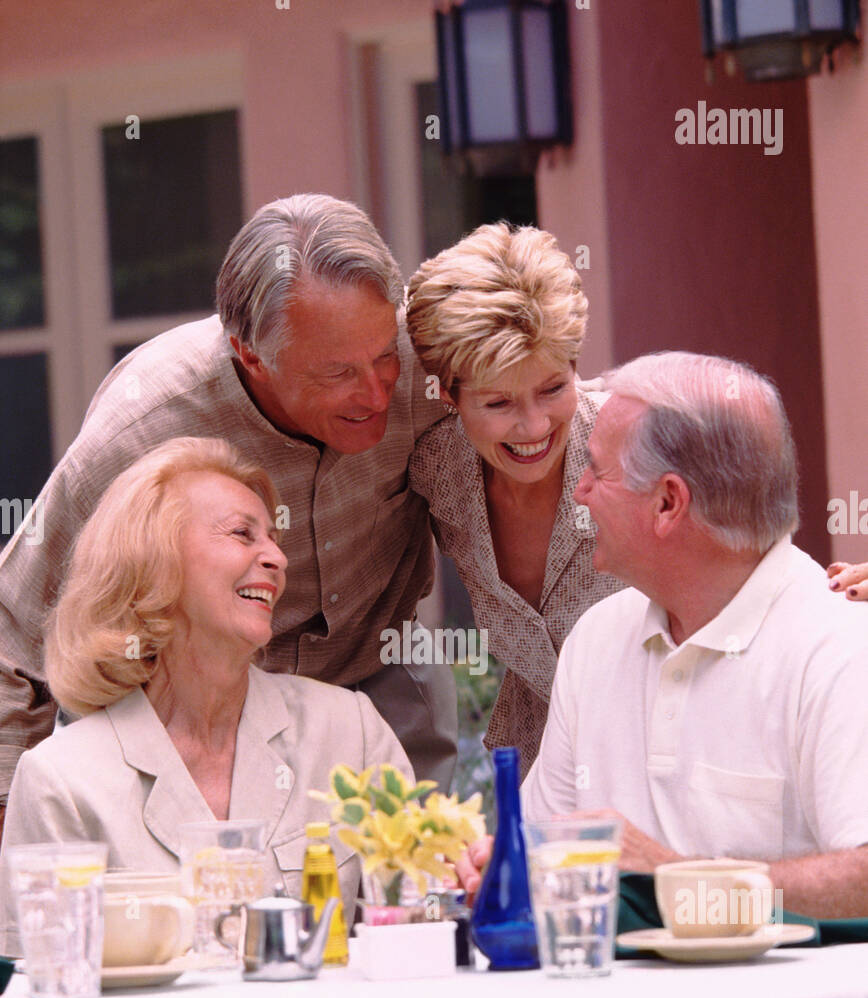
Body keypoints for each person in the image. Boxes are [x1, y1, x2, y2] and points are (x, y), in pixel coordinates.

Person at [0, 193, 455, 843]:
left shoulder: (428, 362)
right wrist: (11, 841)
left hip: (376, 685)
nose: (380, 392)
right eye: (338, 374)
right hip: (181, 724)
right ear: (250, 355)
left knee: (415, 915)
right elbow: (9, 635)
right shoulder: (140, 431)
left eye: (386, 356)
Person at [0, 439, 414, 954]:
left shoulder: (350, 731)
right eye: (243, 534)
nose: (277, 558)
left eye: (273, 538)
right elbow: (38, 995)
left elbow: (415, 933)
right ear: (152, 560)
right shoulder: (59, 779)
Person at [506, 351, 868, 920]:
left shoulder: (843, 648)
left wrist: (676, 879)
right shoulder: (596, 638)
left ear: (668, 503)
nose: (578, 491)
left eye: (597, 470)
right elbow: (541, 847)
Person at [405, 222, 621, 776]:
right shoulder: (436, 469)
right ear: (449, 396)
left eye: (553, 388)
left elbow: (752, 569)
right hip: (539, 772)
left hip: (676, 765)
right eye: (498, 402)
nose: (533, 426)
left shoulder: (643, 443)